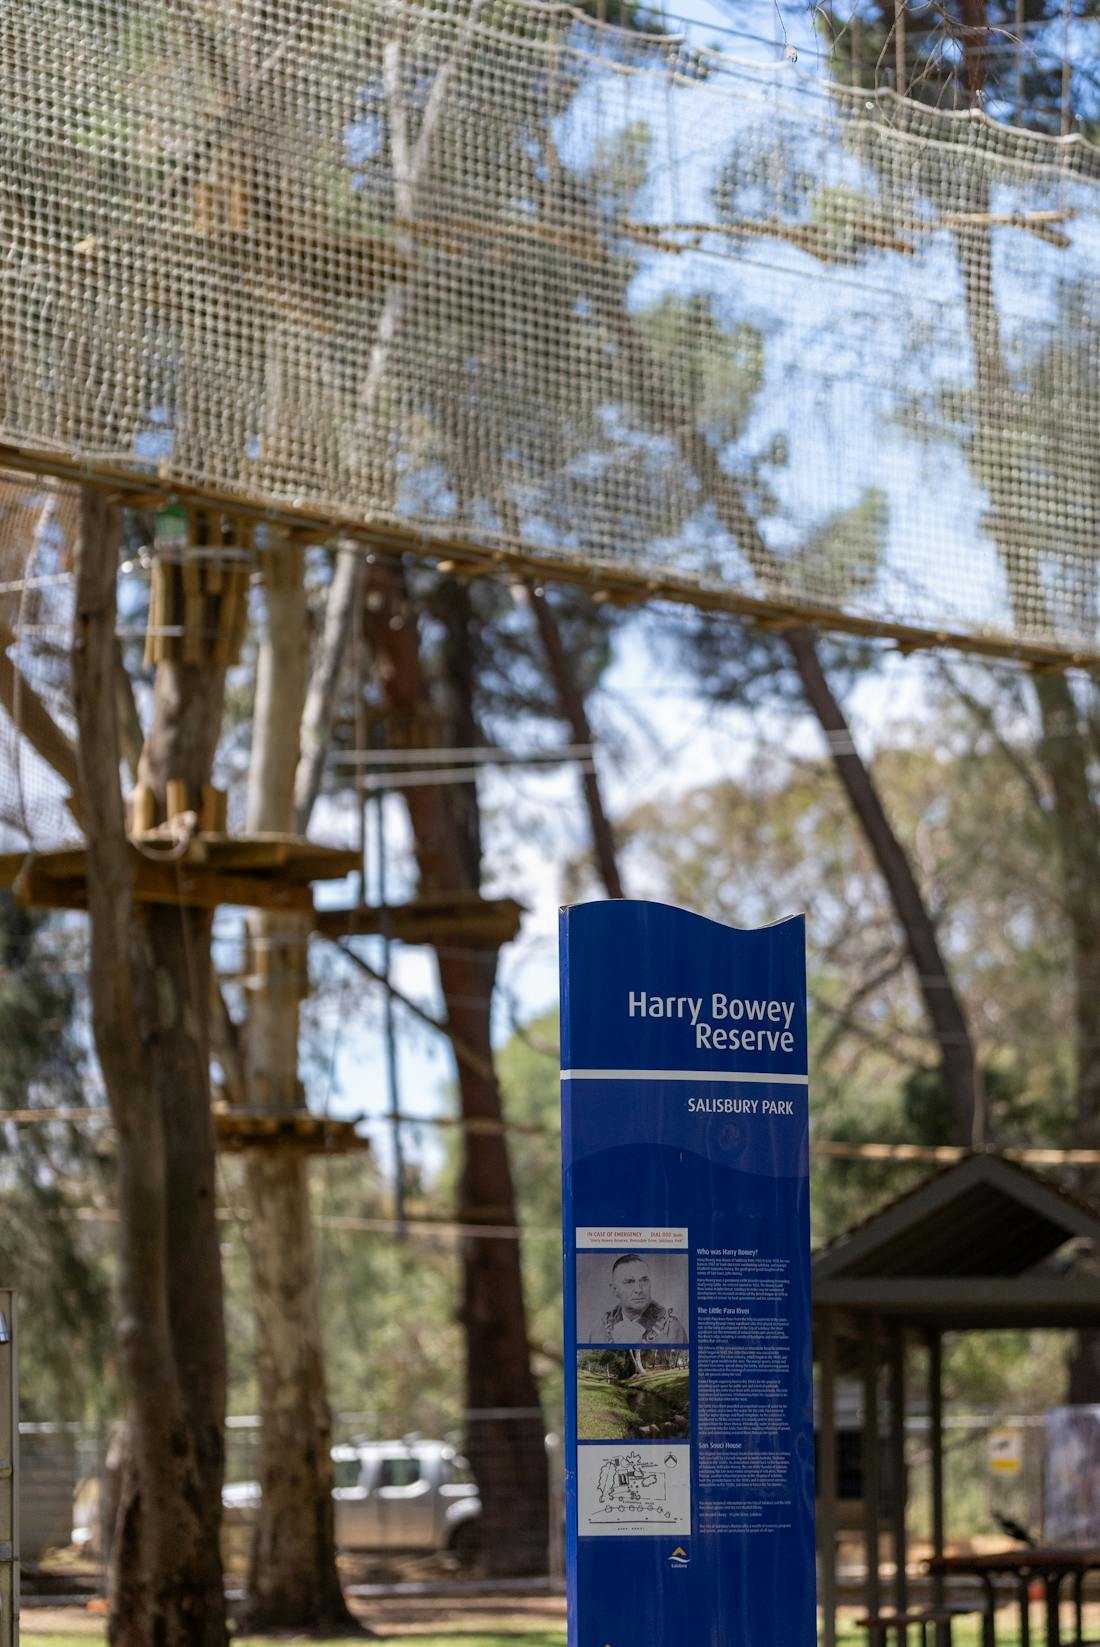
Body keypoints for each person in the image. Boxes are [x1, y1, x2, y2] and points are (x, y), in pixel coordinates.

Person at [596, 1253, 686, 1343]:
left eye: (644, 1280)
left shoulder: (671, 1330)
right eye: (629, 1282)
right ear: (615, 1290)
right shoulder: (599, 1333)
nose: (639, 1289)